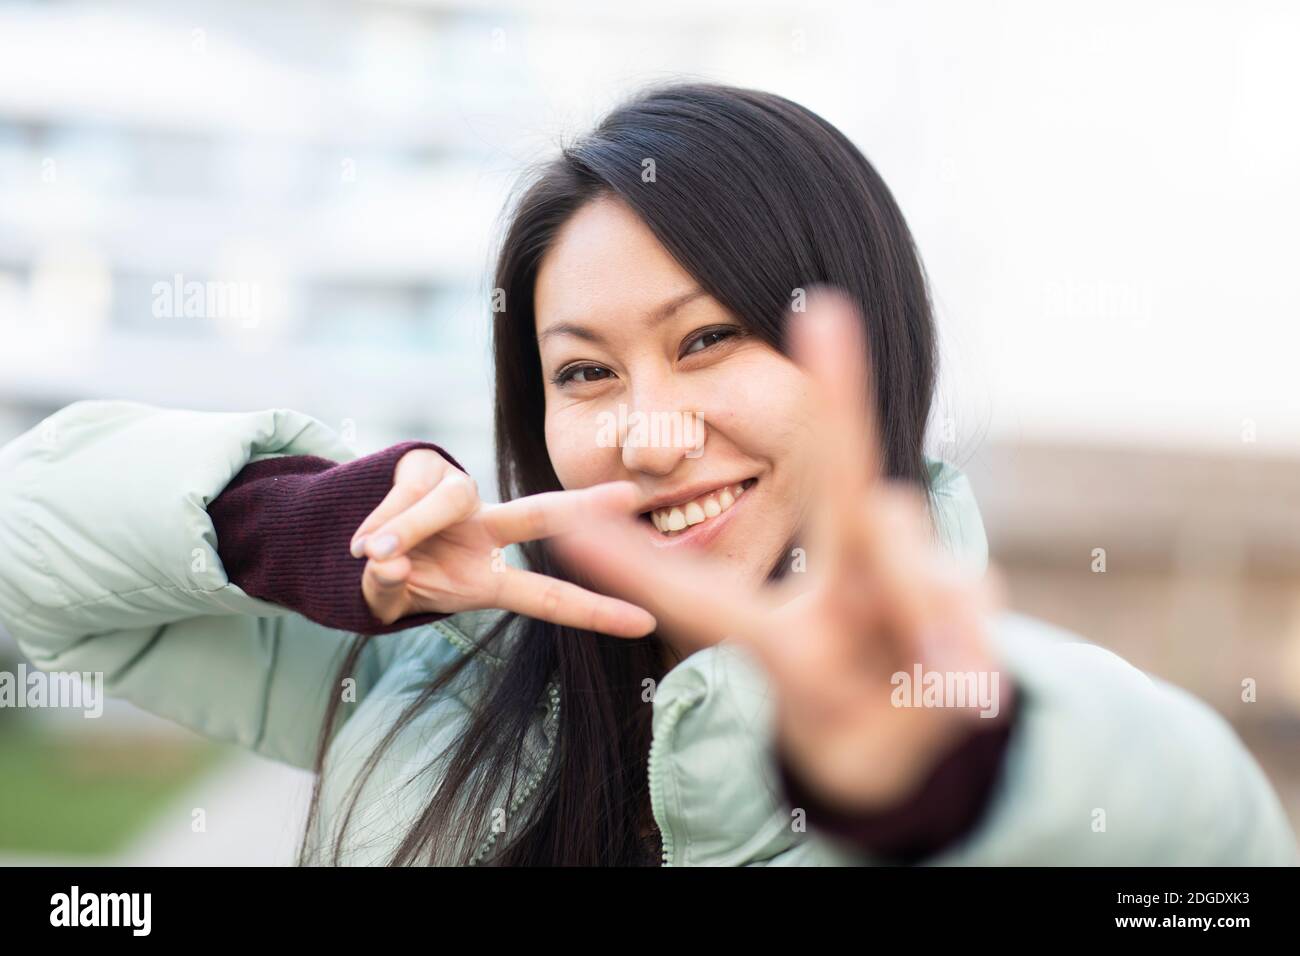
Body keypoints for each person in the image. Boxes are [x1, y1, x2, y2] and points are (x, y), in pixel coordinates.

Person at [0, 83, 1294, 866]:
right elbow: (30, 559)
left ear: (862, 343)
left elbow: (1214, 843)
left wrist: (945, 776)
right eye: (585, 372)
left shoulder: (1009, 719)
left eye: (708, 340)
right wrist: (310, 531)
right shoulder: (424, 674)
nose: (648, 434)